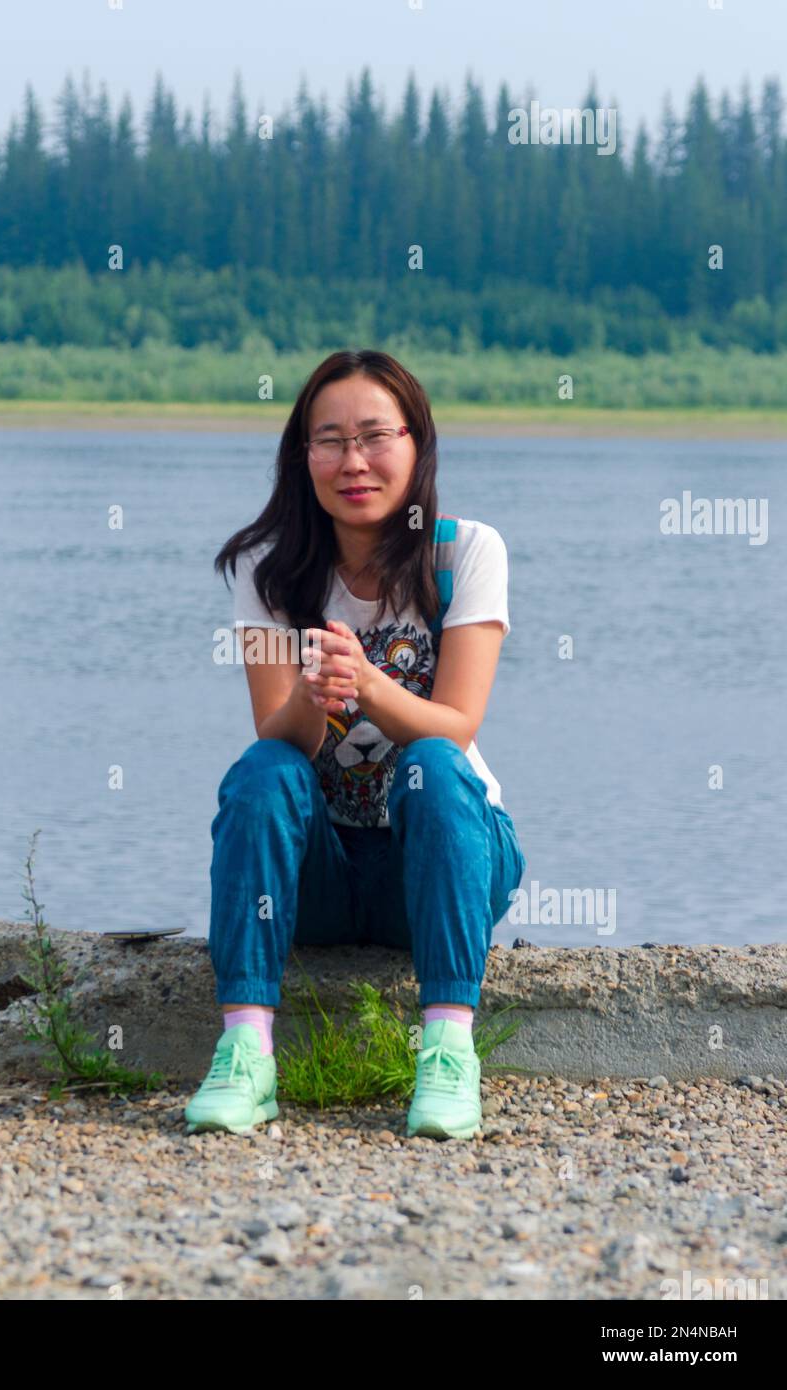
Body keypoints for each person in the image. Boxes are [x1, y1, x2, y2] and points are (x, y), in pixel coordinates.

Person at [184, 349, 525, 1140]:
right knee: (262, 771)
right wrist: (311, 697)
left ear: (416, 443)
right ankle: (246, 1054)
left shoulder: (463, 552)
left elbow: (458, 723)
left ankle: (446, 1051)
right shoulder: (268, 573)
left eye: (375, 436)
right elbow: (278, 739)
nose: (354, 461)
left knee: (435, 764)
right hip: (322, 876)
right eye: (329, 439)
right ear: (302, 456)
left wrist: (370, 686)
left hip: (445, 861)